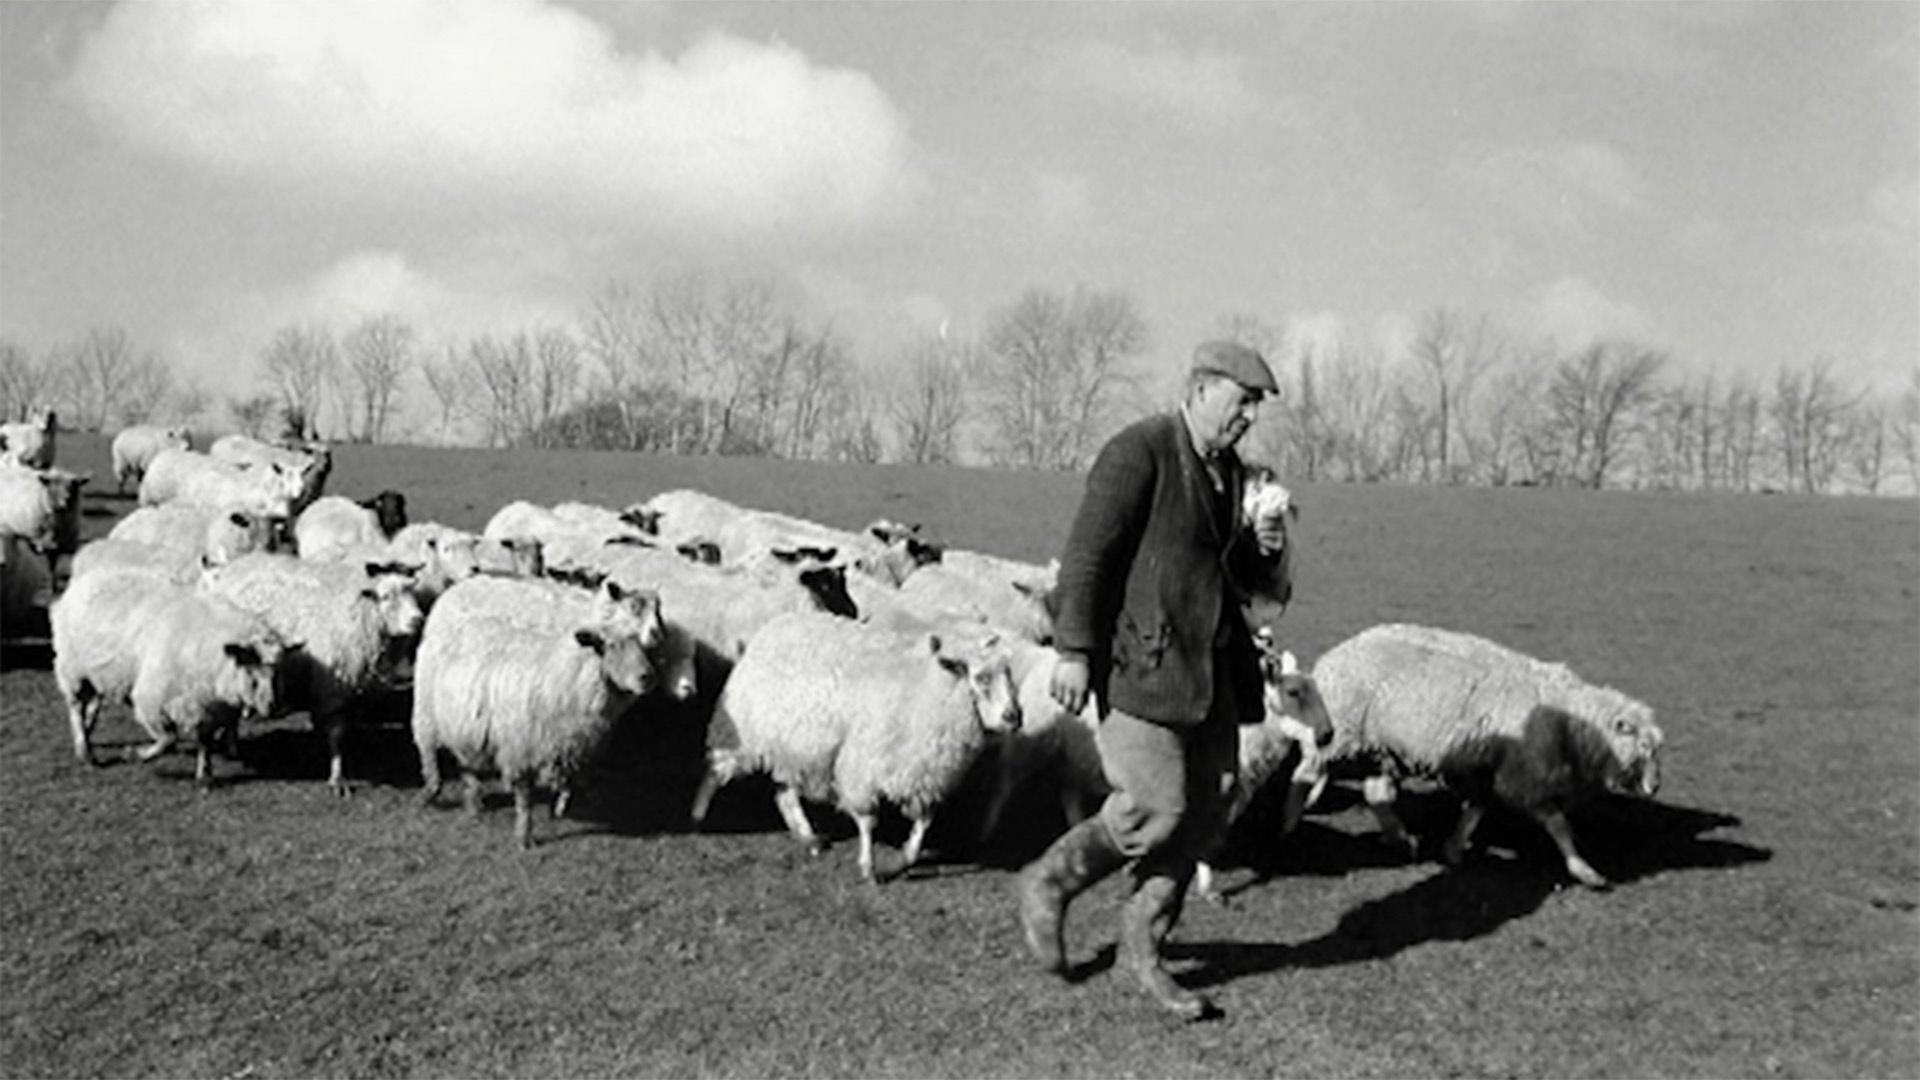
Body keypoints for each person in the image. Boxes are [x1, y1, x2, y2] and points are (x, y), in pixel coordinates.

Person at [1015, 339, 1292, 1021]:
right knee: (1153, 807)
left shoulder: (1232, 475)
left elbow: (1236, 579)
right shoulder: (1137, 453)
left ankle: (1143, 951)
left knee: (1203, 813)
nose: (1250, 416)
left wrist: (1266, 549)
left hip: (1211, 675)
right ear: (1200, 390)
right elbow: (1087, 556)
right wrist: (1073, 650)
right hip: (1139, 665)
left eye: (1256, 406)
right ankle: (1049, 882)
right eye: (1242, 400)